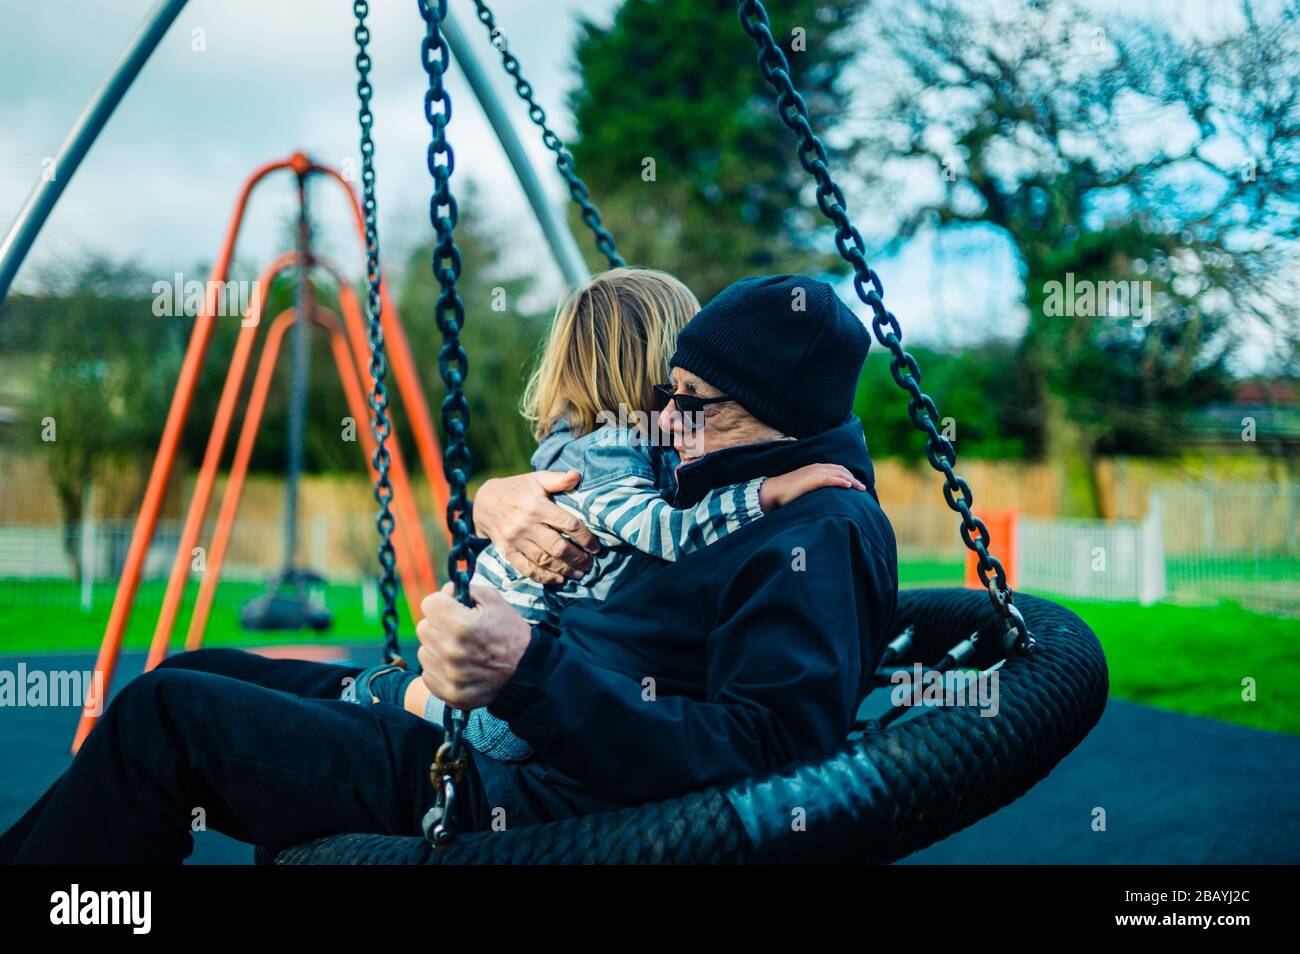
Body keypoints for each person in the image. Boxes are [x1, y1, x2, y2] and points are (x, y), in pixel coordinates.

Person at [0, 273, 897, 864]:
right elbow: (594, 478)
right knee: (191, 673)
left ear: (772, 413)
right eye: (663, 396)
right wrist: (494, 500)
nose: (662, 420)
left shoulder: (816, 529)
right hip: (499, 730)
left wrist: (529, 670)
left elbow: (767, 761)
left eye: (687, 404)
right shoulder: (714, 468)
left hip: (533, 792)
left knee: (172, 719)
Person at [342, 267, 865, 764]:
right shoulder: (606, 455)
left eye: (696, 388)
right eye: (678, 379)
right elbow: (666, 530)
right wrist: (769, 491)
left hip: (558, 662)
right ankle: (391, 691)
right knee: (501, 737)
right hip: (514, 659)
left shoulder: (665, 451)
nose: (681, 401)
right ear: (659, 363)